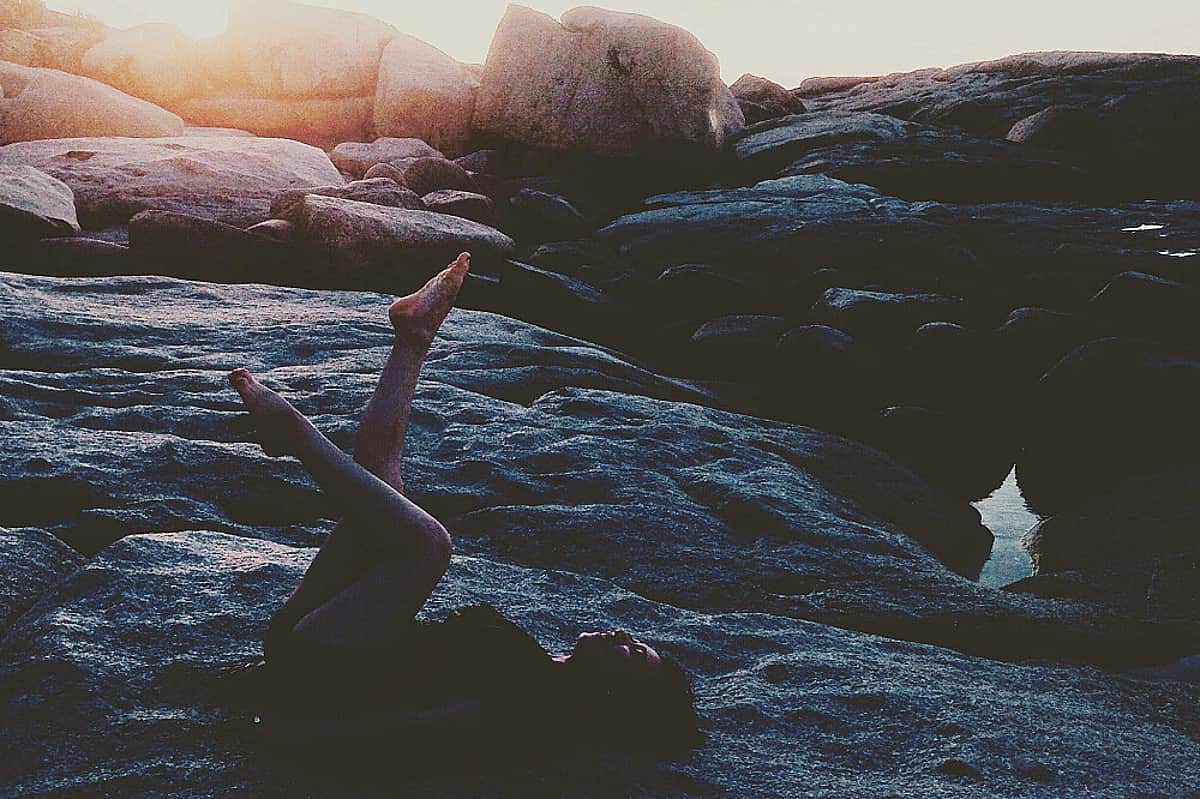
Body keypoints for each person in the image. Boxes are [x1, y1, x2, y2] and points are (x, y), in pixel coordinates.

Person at [228, 252, 701, 758]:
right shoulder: (537, 667)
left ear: (613, 696)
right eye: (637, 641)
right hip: (318, 646)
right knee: (382, 482)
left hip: (319, 676)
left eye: (633, 654)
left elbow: (402, 733)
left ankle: (293, 433)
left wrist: (286, 731)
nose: (622, 635)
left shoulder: (529, 707)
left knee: (428, 544)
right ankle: (413, 338)